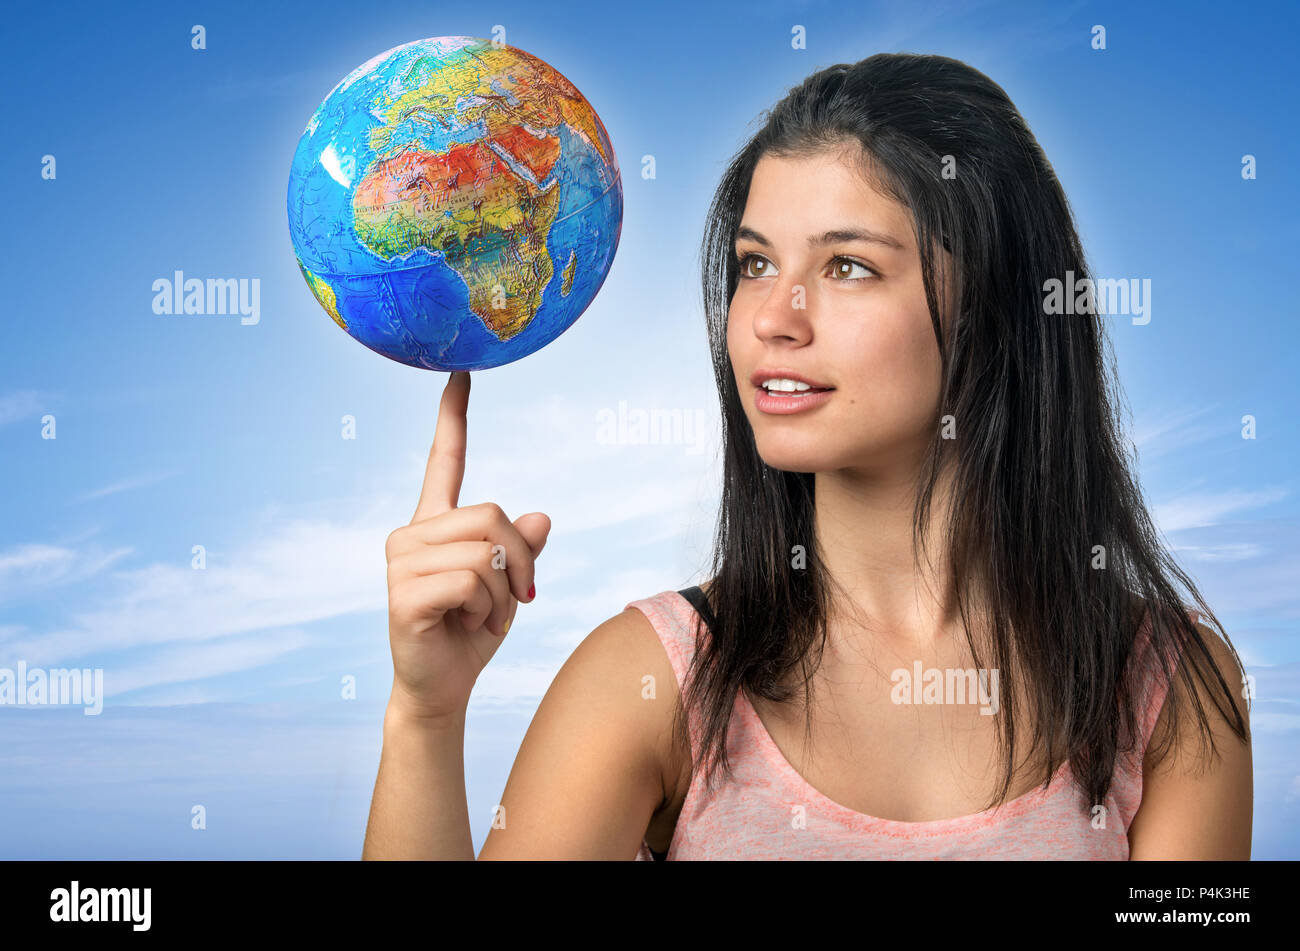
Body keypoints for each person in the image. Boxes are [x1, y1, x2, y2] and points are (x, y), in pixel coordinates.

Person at [362, 53, 1252, 860]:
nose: (772, 318)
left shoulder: (1172, 692)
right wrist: (425, 717)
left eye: (848, 267)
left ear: (996, 308)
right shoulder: (647, 680)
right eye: (754, 264)